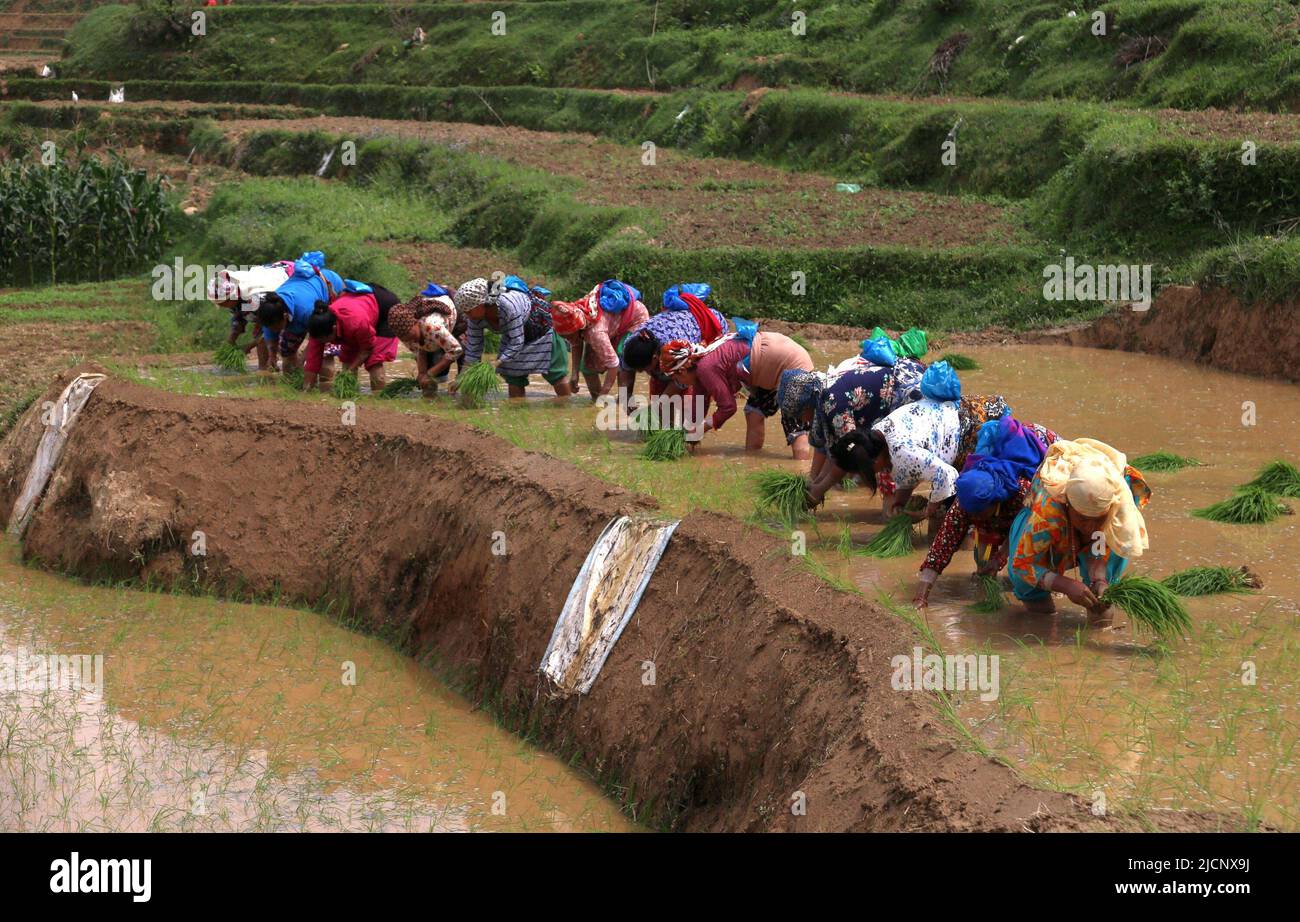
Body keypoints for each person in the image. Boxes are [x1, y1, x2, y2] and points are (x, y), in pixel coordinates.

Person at [913, 416, 1060, 609]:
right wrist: (921, 595)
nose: (974, 519)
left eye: (980, 514)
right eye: (971, 515)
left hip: (1046, 452)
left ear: (995, 500)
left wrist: (1000, 557)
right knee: (982, 560)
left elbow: (1025, 530)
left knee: (1030, 552)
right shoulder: (964, 503)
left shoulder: (1023, 493)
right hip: (998, 494)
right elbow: (942, 545)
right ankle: (988, 578)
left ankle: (1050, 585)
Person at [1007, 439, 1151, 621]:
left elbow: (1099, 543)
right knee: (1027, 585)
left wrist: (1100, 579)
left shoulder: (1117, 513)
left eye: (1097, 520)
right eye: (1083, 519)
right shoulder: (1048, 512)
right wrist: (1065, 585)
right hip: (1051, 521)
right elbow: (1022, 565)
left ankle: (1099, 634)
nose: (1090, 527)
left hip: (1105, 505)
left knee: (1102, 595)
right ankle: (1042, 618)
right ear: (1068, 506)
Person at [662, 323, 813, 458]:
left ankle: (802, 473)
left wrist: (701, 428)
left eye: (675, 379)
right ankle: (752, 460)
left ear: (682, 371)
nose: (678, 384)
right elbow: (699, 405)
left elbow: (728, 407)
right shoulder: (701, 366)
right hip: (771, 364)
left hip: (792, 364)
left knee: (794, 425)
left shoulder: (705, 368)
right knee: (754, 411)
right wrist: (688, 435)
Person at [454, 277, 573, 398]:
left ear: (482, 304)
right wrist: (462, 378)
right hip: (514, 335)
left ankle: (566, 406)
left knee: (555, 374)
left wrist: (497, 363)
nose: (466, 315)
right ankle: (516, 409)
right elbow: (473, 350)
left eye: (468, 311)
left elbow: (517, 342)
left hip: (541, 331)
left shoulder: (509, 307)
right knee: (513, 376)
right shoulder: (474, 319)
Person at [619, 284, 727, 402]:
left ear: (655, 358)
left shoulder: (676, 347)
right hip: (674, 332)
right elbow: (626, 370)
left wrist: (659, 404)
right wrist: (627, 399)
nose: (642, 373)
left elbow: (683, 380)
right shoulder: (631, 344)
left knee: (697, 392)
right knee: (659, 392)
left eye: (644, 369)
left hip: (709, 330)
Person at [550, 279, 648, 401]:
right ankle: (595, 399)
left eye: (567, 336)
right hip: (610, 324)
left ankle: (625, 400)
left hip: (634, 319)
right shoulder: (577, 318)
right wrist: (574, 374)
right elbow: (576, 343)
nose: (566, 339)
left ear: (576, 330)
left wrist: (604, 394)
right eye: (563, 337)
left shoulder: (595, 333)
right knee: (587, 367)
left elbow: (613, 364)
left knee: (622, 357)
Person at [302, 283, 401, 392]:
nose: (323, 343)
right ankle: (349, 393)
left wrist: (350, 370)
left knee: (374, 362)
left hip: (385, 309)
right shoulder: (318, 327)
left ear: (334, 329)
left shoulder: (355, 323)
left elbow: (367, 349)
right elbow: (313, 361)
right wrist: (306, 389)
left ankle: (378, 398)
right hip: (361, 309)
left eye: (325, 340)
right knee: (347, 358)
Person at [255, 252, 343, 373]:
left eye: (276, 327)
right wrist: (272, 356)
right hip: (299, 308)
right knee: (287, 354)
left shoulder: (306, 310)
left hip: (332, 290)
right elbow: (270, 332)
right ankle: (293, 384)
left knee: (324, 360)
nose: (274, 330)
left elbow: (317, 339)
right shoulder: (271, 308)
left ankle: (324, 386)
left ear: (285, 316)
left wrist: (302, 361)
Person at [207, 260, 293, 371]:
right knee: (260, 332)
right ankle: (265, 369)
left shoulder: (255, 298)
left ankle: (271, 369)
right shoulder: (236, 295)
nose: (222, 306)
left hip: (285, 278)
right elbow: (239, 316)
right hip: (268, 274)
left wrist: (247, 347)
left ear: (233, 297)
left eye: (223, 303)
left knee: (269, 334)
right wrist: (230, 342)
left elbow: (267, 328)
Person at [387, 283, 464, 397]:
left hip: (457, 318)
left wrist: (429, 374)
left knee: (456, 363)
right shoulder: (405, 335)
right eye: (406, 339)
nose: (410, 340)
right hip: (433, 332)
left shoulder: (432, 326)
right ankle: (430, 400)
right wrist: (422, 372)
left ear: (415, 322)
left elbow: (456, 350)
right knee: (428, 375)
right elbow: (420, 350)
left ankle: (463, 391)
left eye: (411, 335)